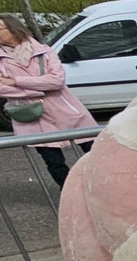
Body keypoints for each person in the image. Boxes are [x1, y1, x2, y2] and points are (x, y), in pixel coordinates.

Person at [0, 14, 96, 188]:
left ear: (13, 29)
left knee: (94, 154)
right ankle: (71, 196)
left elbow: (57, 81)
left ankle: (104, 190)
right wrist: (41, 86)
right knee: (54, 163)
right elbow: (2, 89)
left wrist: (17, 82)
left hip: (65, 111)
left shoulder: (44, 51)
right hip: (31, 118)